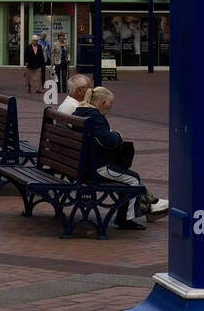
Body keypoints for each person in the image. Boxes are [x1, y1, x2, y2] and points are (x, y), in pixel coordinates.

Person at [72, 87, 168, 229]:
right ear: (103, 102)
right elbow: (108, 140)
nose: (110, 108)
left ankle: (148, 205)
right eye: (110, 104)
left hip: (81, 166)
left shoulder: (80, 111)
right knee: (133, 179)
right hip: (97, 168)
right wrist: (117, 135)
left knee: (126, 179)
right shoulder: (95, 116)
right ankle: (126, 218)